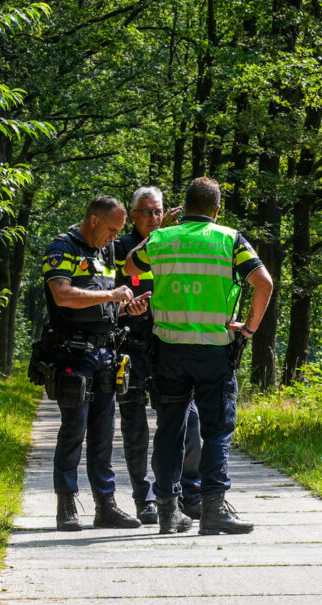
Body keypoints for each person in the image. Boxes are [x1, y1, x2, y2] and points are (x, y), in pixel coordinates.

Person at [124, 177, 273, 535]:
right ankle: (213, 509)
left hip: (169, 350)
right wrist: (249, 328)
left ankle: (166, 512)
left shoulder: (161, 238)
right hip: (214, 352)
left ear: (183, 207)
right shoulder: (229, 239)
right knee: (216, 430)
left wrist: (160, 233)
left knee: (170, 430)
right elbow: (263, 283)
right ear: (216, 210)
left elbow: (130, 266)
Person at [41, 195, 150, 531]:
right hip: (74, 355)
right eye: (111, 229)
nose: (114, 237)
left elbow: (104, 304)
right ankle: (66, 506)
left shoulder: (106, 252)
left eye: (118, 231)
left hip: (106, 354)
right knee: (73, 430)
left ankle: (106, 505)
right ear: (93, 220)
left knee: (104, 435)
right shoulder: (63, 247)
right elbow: (62, 294)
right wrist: (111, 295)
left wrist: (125, 307)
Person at [113, 186, 204, 524]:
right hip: (130, 346)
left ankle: (188, 496)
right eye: (147, 212)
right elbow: (123, 272)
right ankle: (145, 497)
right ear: (132, 215)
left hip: (168, 345)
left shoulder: (174, 245)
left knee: (188, 422)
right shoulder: (121, 246)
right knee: (135, 426)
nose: (154, 218)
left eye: (158, 212)